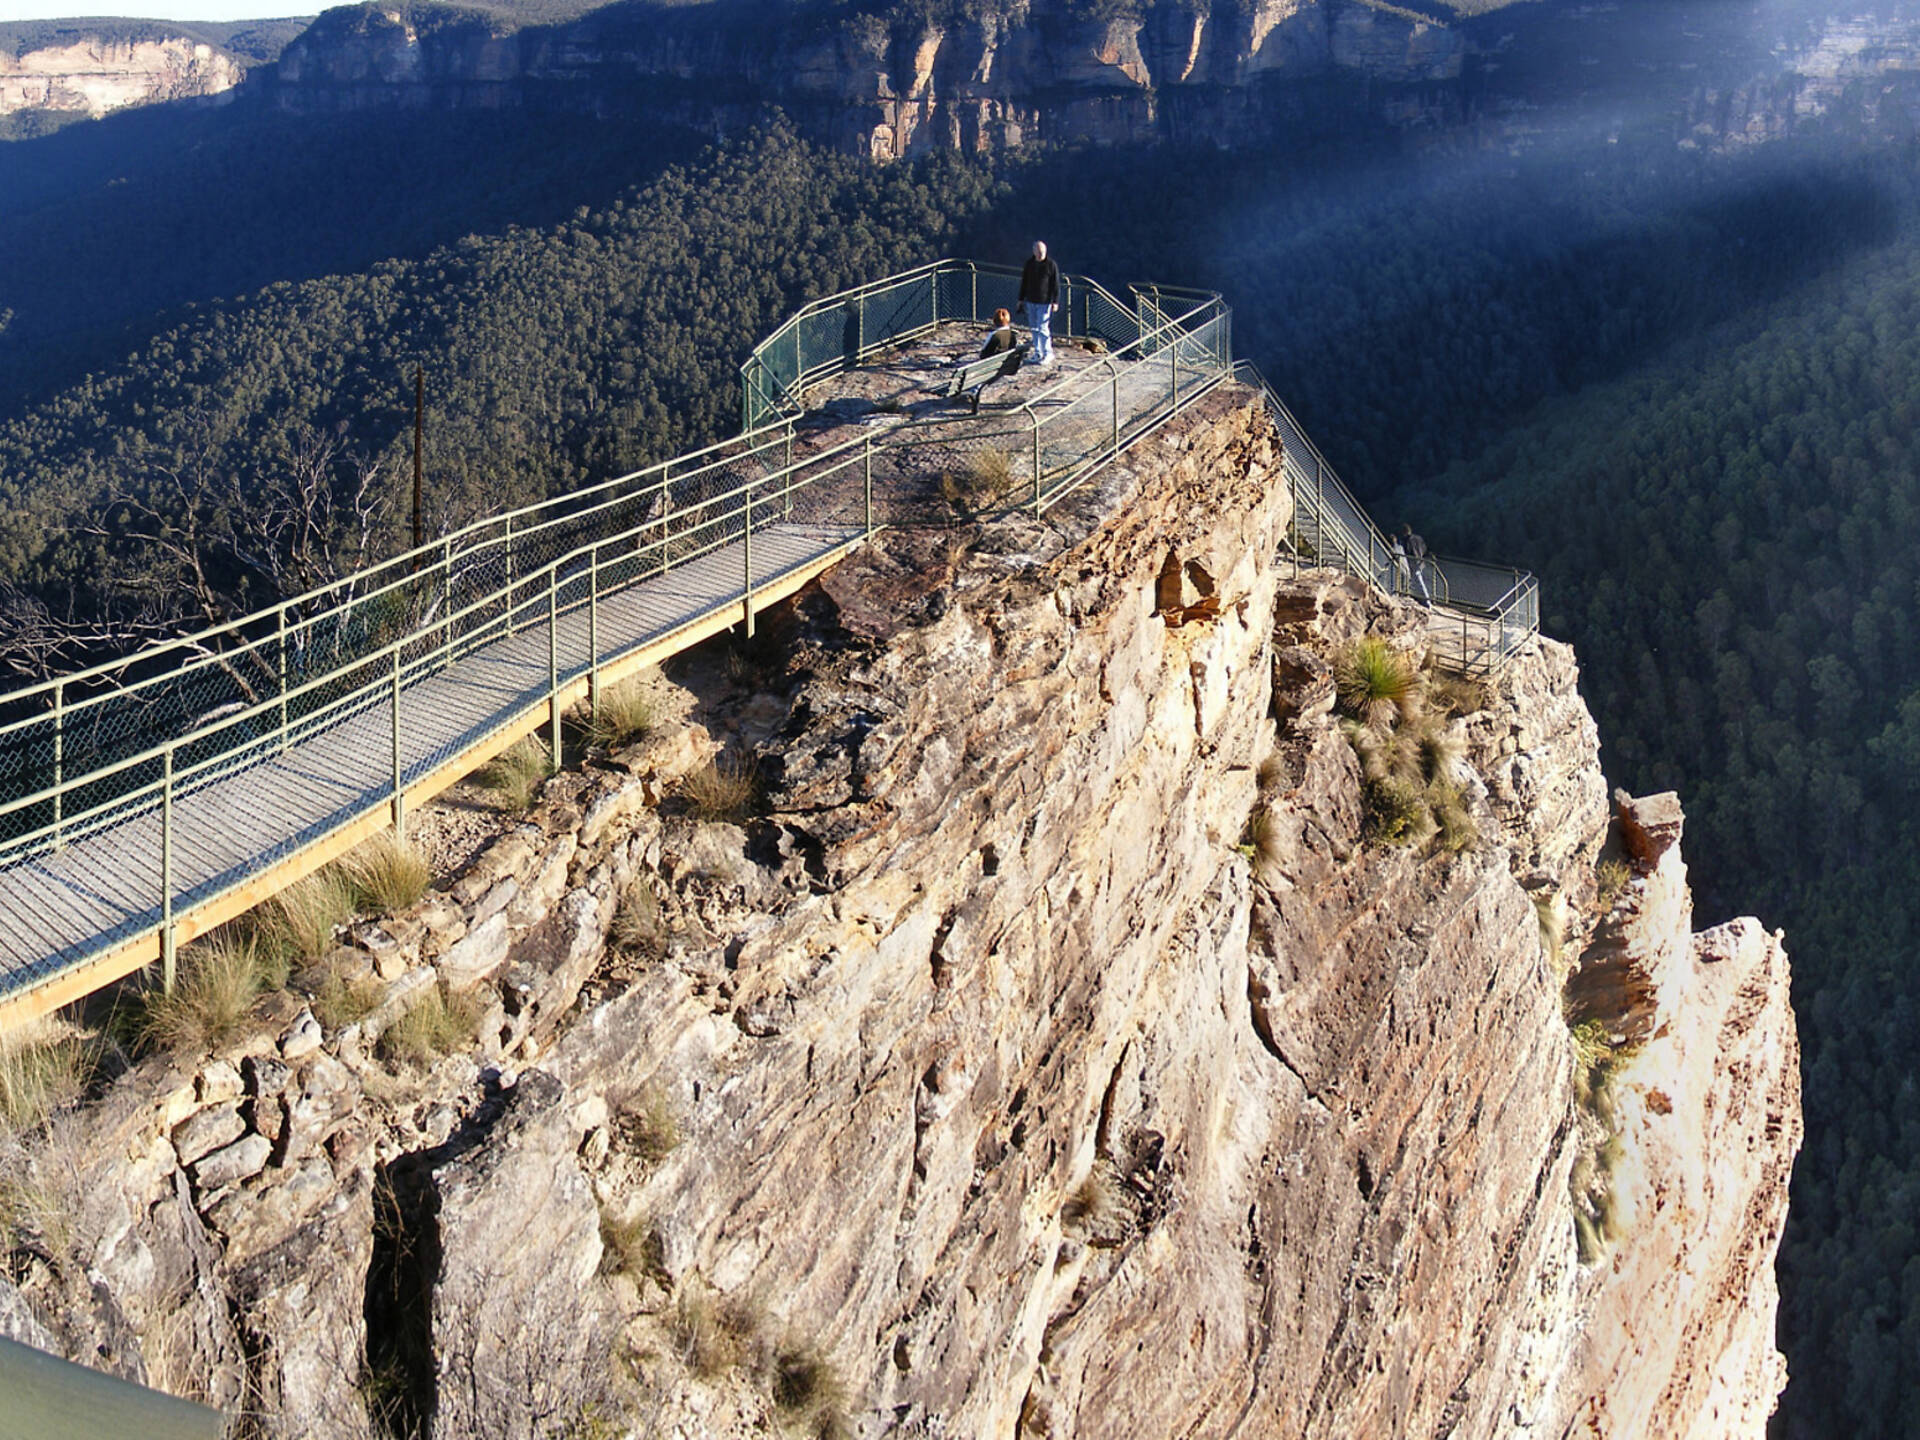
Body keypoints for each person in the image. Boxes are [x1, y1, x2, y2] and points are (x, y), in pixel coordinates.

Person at [1019, 241, 1060, 366]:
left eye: (1043, 251)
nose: (1041, 253)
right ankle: (1038, 352)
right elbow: (1024, 282)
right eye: (1039, 251)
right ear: (1034, 251)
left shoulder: (1051, 265)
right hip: (1031, 300)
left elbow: (1055, 284)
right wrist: (1020, 299)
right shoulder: (1029, 264)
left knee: (1042, 328)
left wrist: (1055, 301)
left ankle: (1048, 353)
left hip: (1045, 301)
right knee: (1034, 328)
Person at [1400, 523, 1432, 603]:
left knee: (1418, 582)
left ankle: (1427, 602)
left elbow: (1407, 551)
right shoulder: (1418, 538)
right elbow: (1424, 548)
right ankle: (1422, 599)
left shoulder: (1407, 541)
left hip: (1413, 562)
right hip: (1420, 562)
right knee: (1418, 581)